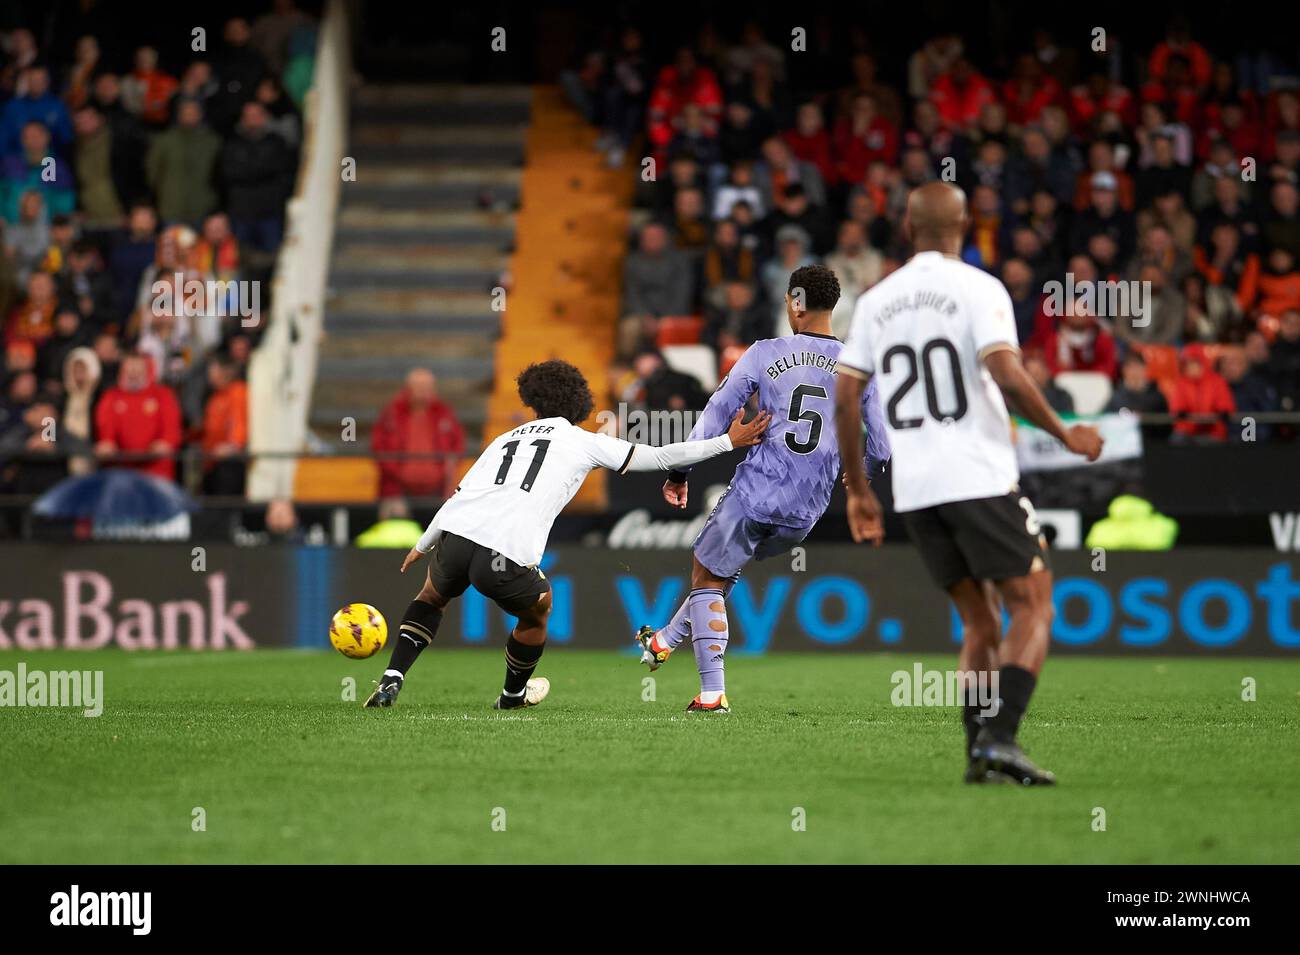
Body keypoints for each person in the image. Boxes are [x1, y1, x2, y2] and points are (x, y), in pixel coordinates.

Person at [834, 182, 1103, 786]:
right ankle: (1001, 739)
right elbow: (1005, 373)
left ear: (907, 227)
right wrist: (1065, 434)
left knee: (980, 622)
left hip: (917, 489)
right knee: (1033, 606)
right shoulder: (981, 288)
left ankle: (977, 757)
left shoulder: (878, 300)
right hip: (977, 475)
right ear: (969, 227)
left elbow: (846, 397)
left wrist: (858, 489)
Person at [365, 359, 771, 711]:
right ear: (580, 402)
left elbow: (459, 494)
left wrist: (423, 544)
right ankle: (512, 695)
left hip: (456, 537)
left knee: (430, 598)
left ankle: (391, 679)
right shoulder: (582, 442)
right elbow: (663, 456)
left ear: (534, 401)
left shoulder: (503, 440)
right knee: (539, 608)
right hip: (502, 554)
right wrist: (727, 441)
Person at [634, 265, 890, 712]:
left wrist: (680, 471)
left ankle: (712, 694)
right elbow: (883, 446)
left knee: (706, 575)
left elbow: (718, 413)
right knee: (722, 571)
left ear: (796, 303)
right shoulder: (856, 363)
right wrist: (861, 472)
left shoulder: (763, 352)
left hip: (758, 490)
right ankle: (663, 642)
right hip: (807, 510)